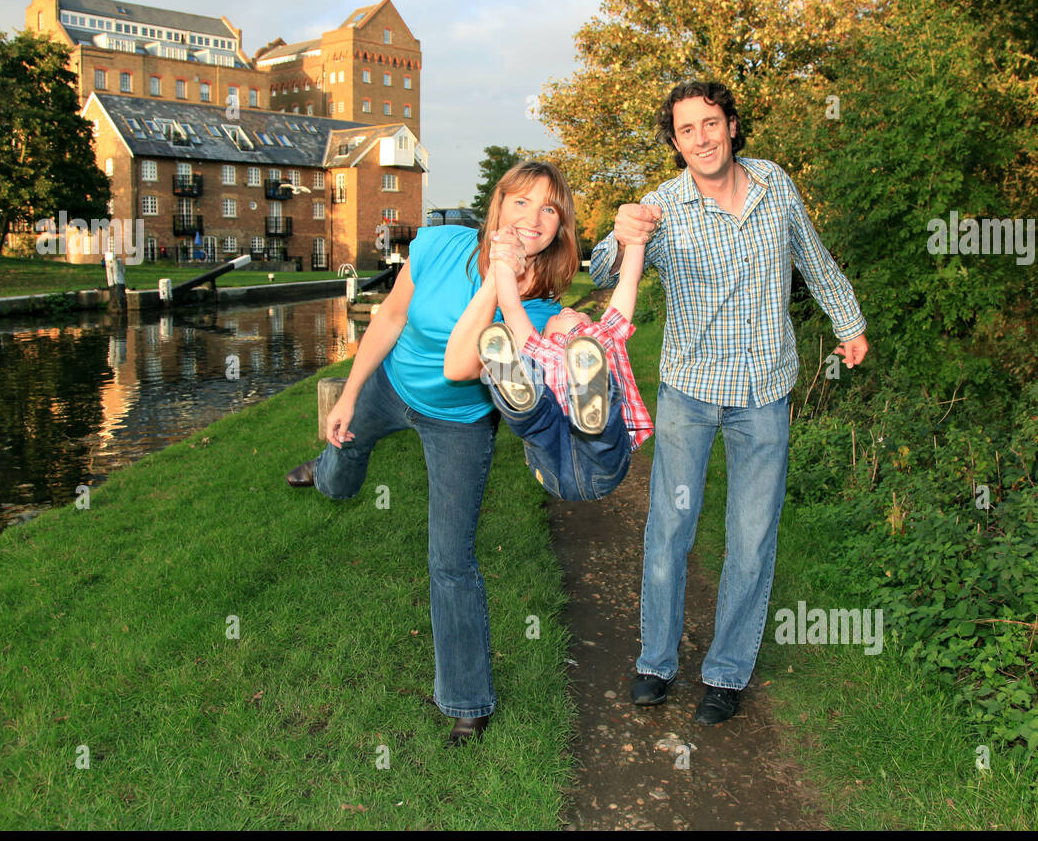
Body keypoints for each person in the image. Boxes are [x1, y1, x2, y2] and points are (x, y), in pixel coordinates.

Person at [591, 80, 870, 725]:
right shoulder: (662, 207)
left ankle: (726, 673)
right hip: (689, 394)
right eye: (686, 130)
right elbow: (604, 272)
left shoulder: (775, 185)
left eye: (710, 123)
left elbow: (813, 258)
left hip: (765, 392)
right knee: (671, 529)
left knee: (751, 539)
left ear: (732, 125)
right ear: (676, 141)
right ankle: (656, 662)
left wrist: (848, 321)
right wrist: (620, 234)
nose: (701, 138)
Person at [286, 160, 580, 746]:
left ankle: (468, 702)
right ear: (498, 206)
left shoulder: (537, 310)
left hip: (459, 425)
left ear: (558, 229)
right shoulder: (439, 245)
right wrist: (349, 394)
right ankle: (326, 473)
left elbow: (461, 366)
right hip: (391, 386)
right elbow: (392, 318)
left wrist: (508, 284)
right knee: (341, 464)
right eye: (521, 201)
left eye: (548, 209)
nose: (532, 218)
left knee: (451, 559)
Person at [443, 233, 653, 501]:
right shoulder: (536, 346)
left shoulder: (606, 334)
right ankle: (521, 393)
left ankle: (590, 402)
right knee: (536, 420)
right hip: (552, 462)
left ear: (592, 322)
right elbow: (510, 305)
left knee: (601, 434)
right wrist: (503, 262)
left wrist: (636, 239)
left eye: (579, 313)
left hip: (603, 465)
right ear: (543, 332)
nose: (566, 311)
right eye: (556, 315)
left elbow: (628, 282)